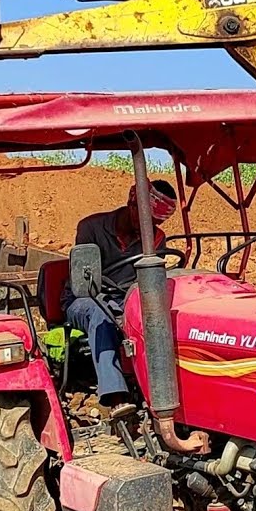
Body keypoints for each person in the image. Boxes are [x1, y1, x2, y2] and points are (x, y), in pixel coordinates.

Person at [63, 179, 177, 419]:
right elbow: (85, 278)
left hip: (126, 297)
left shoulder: (155, 238)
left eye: (157, 222)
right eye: (148, 220)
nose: (151, 227)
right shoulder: (91, 228)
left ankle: (162, 387)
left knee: (162, 313)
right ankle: (116, 396)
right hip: (86, 296)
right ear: (132, 205)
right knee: (101, 314)